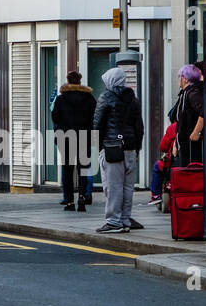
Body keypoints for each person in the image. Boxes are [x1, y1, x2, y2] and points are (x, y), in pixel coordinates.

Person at [94, 66, 143, 233]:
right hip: (130, 147)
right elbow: (139, 127)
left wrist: (98, 147)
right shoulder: (133, 99)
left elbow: (98, 124)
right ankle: (124, 219)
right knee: (128, 187)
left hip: (112, 147)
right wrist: (137, 148)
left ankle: (113, 221)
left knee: (113, 186)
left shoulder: (106, 97)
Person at [50, 69, 97, 212]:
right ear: (80, 81)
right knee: (83, 169)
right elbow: (94, 117)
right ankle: (82, 198)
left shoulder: (61, 99)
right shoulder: (89, 98)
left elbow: (55, 117)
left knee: (68, 170)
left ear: (68, 81)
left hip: (66, 137)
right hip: (84, 137)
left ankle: (69, 201)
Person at [169, 64, 205, 167]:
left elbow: (204, 111)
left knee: (190, 173)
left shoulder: (192, 93)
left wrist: (196, 132)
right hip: (185, 144)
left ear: (185, 79)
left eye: (180, 76)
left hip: (191, 146)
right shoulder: (186, 93)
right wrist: (176, 142)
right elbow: (180, 122)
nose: (179, 79)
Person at [148, 121, 177, 205]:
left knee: (157, 168)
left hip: (172, 163)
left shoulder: (173, 127)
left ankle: (156, 195)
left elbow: (163, 147)